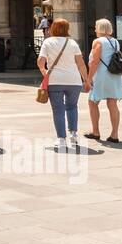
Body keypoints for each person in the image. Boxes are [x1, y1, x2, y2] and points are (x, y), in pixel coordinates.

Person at [37, 19, 90, 151]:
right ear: (67, 29)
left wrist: (44, 72)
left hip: (55, 80)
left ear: (53, 28)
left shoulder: (48, 42)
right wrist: (86, 80)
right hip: (74, 80)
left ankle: (61, 139)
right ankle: (73, 134)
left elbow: (40, 60)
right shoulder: (72, 43)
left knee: (58, 110)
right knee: (72, 106)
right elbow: (81, 63)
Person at [86, 19, 122, 144]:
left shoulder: (98, 41)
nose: (95, 30)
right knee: (112, 103)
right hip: (114, 75)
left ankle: (95, 131)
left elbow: (95, 61)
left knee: (92, 102)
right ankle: (114, 134)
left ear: (100, 29)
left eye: (96, 27)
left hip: (101, 75)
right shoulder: (115, 41)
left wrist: (88, 78)